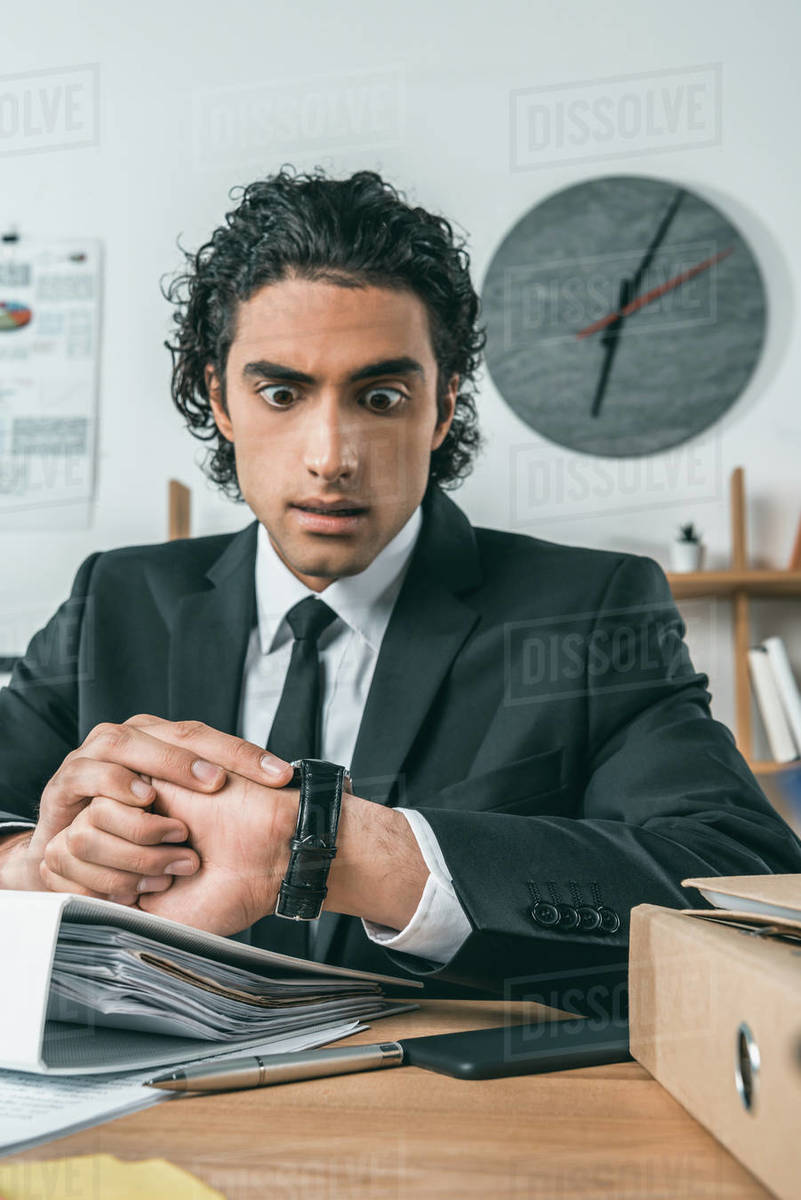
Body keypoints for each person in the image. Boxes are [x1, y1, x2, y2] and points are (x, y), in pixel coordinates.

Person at [1, 168, 799, 1010]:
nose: (330, 455)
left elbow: (742, 886)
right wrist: (38, 862)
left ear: (443, 408)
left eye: (380, 396)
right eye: (280, 392)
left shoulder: (590, 608)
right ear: (219, 399)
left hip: (451, 1118)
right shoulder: (113, 600)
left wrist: (345, 854)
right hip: (141, 1112)